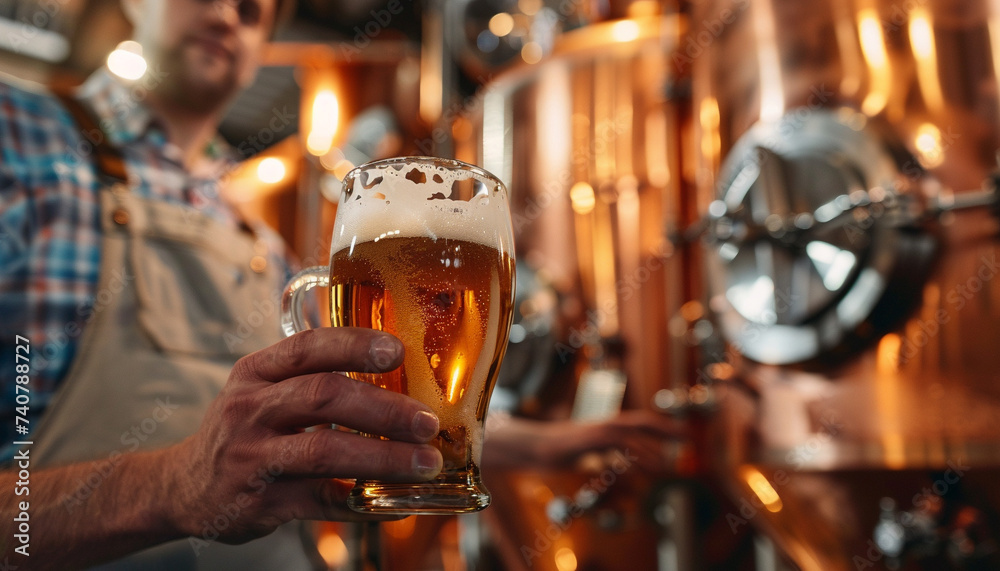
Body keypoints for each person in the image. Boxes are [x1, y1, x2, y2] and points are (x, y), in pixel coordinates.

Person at [0, 0, 443, 568]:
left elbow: (375, 403)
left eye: (251, 12)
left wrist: (505, 441)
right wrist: (173, 486)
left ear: (261, 52)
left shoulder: (265, 248)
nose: (228, 17)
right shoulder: (17, 135)